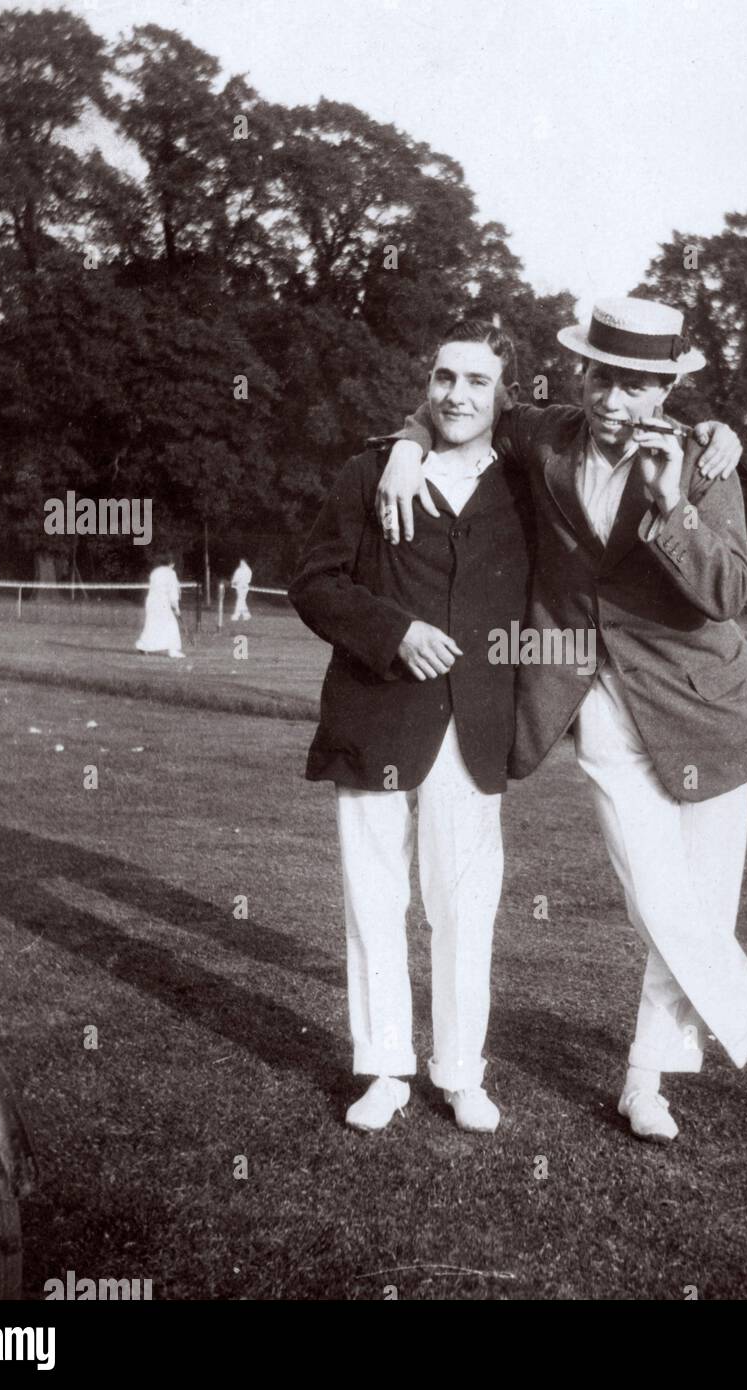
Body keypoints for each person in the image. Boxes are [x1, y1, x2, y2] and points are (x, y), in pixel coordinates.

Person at [377, 296, 747, 1144]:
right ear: (582, 375)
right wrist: (406, 446)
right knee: (655, 899)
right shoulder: (541, 436)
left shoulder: (700, 462)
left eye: (637, 387)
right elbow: (458, 406)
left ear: (664, 390)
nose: (616, 403)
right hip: (599, 708)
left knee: (696, 911)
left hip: (706, 713)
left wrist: (670, 506)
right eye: (603, 380)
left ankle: (643, 1080)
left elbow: (729, 591)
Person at [288, 319, 534, 1136]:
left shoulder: (528, 482)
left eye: (475, 381)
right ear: (425, 388)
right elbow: (314, 582)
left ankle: (461, 1073)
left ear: (504, 395)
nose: (456, 394)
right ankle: (385, 1068)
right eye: (442, 379)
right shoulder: (371, 472)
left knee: (464, 909)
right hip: (376, 712)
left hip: (475, 729)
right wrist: (392, 630)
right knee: (374, 900)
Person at [135, 555, 185, 658]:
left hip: (151, 602)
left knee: (152, 624)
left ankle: (143, 645)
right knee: (172, 625)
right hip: (161, 603)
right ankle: (173, 651)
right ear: (171, 563)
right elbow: (172, 592)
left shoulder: (155, 572)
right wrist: (176, 608)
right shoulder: (171, 573)